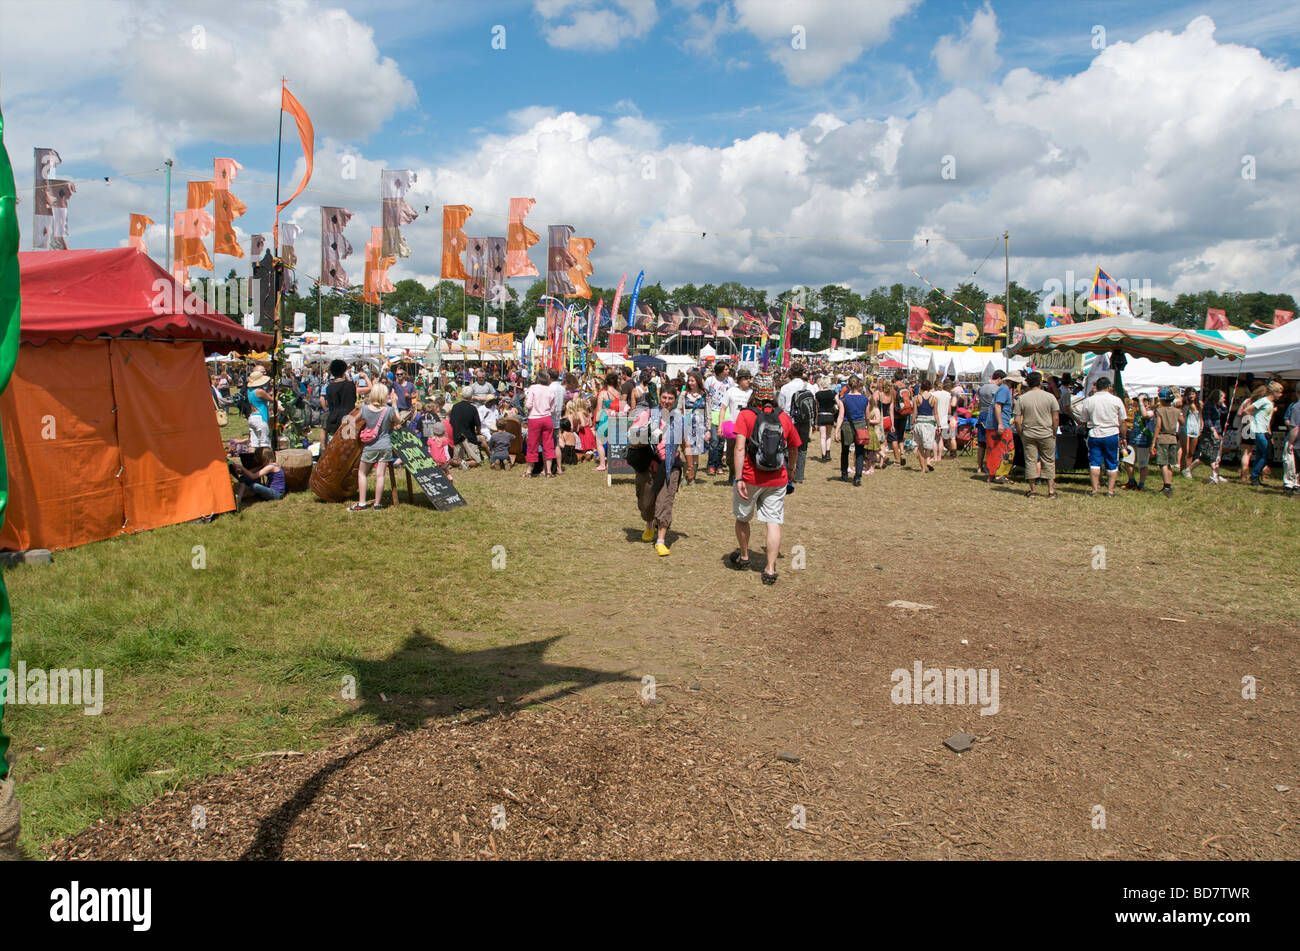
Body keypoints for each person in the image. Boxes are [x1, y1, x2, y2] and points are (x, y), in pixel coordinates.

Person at [730, 373, 801, 585]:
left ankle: (744, 556)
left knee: (743, 518)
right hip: (777, 478)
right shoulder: (784, 417)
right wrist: (790, 470)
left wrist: (739, 477)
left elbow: (740, 447)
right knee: (773, 522)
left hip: (751, 476)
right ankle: (770, 569)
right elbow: (794, 446)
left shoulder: (746, 415)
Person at [632, 384, 688, 556]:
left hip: (671, 467)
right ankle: (649, 525)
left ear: (675, 400)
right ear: (659, 397)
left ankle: (661, 540)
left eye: (671, 398)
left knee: (665, 503)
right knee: (646, 503)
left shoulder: (679, 419)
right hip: (648, 466)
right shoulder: (647, 415)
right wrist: (646, 434)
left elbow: (685, 444)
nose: (667, 401)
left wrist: (690, 466)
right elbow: (631, 438)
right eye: (664, 397)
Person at [1077, 376, 1127, 497]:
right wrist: (1124, 437)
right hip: (1111, 434)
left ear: (1097, 387)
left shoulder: (1089, 400)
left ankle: (1094, 490)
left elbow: (1083, 421)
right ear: (1109, 387)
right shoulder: (1116, 400)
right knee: (1112, 462)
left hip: (1094, 434)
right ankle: (1110, 491)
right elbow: (1123, 421)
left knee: (1094, 463)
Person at [1016, 371, 1059, 499]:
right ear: (1040, 382)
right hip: (1046, 433)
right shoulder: (1050, 397)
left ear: (1027, 383)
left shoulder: (1022, 399)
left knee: (1030, 461)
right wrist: (1054, 431)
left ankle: (1033, 490)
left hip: (1029, 433)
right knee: (1049, 461)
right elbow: (1055, 418)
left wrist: (1021, 433)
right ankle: (1051, 490)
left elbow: (1018, 420)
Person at [351, 382, 394, 511]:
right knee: (380, 475)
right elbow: (395, 422)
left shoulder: (365, 409)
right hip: (385, 444)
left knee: (362, 473)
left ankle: (362, 502)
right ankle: (377, 503)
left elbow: (352, 421)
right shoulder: (389, 410)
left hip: (370, 446)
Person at [778, 363, 815, 484]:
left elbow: (780, 406)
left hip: (789, 420)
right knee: (802, 447)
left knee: (788, 447)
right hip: (804, 420)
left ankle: (788, 472)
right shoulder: (809, 387)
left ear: (791, 373)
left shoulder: (785, 388)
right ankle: (799, 475)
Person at [985, 371, 1020, 485]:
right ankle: (1000, 474)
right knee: (1007, 449)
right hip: (1000, 424)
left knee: (993, 450)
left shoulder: (1002, 389)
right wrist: (1000, 423)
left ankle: (992, 474)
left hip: (993, 424)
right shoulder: (1005, 389)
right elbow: (998, 405)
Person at [835, 374, 870, 485]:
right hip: (860, 425)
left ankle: (844, 473)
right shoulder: (865, 399)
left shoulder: (843, 399)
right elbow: (867, 416)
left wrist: (836, 430)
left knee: (845, 451)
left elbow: (841, 416)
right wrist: (867, 427)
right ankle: (857, 476)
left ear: (848, 386)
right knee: (859, 452)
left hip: (847, 425)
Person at [720, 367, 753, 484]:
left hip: (748, 428)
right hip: (733, 427)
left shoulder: (752, 393)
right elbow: (723, 409)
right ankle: (732, 472)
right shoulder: (731, 392)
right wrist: (720, 425)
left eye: (749, 378)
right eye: (745, 378)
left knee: (745, 453)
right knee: (730, 454)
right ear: (739, 380)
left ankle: (741, 476)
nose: (748, 380)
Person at [525, 368, 558, 477]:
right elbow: (553, 409)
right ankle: (548, 471)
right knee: (548, 444)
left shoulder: (533, 388)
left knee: (532, 445)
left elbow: (528, 405)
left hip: (534, 418)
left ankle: (529, 471)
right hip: (547, 418)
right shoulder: (550, 390)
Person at [1150, 386, 1181, 497]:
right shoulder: (1177, 411)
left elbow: (1158, 426)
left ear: (1162, 399)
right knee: (1170, 463)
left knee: (1163, 463)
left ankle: (1166, 486)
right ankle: (1169, 484)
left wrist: (1153, 441)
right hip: (1173, 438)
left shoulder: (1159, 410)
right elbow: (1183, 421)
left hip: (1163, 438)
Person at [704, 362, 734, 475]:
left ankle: (719, 464)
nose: (728, 371)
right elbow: (706, 396)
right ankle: (711, 465)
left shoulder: (730, 381)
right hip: (713, 412)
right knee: (714, 441)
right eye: (726, 369)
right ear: (720, 370)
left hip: (725, 413)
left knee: (722, 442)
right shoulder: (710, 380)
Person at [680, 371, 709, 485]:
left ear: (698, 381)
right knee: (685, 451)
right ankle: (685, 476)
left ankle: (692, 478)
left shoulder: (705, 394)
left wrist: (708, 428)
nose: (690, 382)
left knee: (695, 452)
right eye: (689, 380)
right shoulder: (684, 394)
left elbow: (708, 412)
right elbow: (679, 409)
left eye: (692, 380)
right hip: (686, 424)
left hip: (700, 426)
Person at [1122, 395, 1155, 491]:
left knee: (1143, 465)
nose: (1139, 403)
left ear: (1148, 403)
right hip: (1133, 441)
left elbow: (1145, 415)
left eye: (1142, 401)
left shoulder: (1150, 412)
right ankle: (1131, 481)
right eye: (1138, 401)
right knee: (1127, 460)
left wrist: (1141, 402)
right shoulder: (1136, 412)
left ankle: (1141, 485)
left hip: (1144, 442)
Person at [976, 371, 1002, 474]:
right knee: (991, 443)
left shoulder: (982, 388)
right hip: (991, 415)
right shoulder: (996, 389)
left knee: (981, 443)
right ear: (999, 379)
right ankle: (989, 466)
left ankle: (979, 467)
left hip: (982, 413)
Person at [594, 371, 621, 471]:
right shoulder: (619, 394)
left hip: (604, 419)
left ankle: (602, 464)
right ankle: (610, 464)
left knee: (599, 442)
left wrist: (596, 422)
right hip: (615, 419)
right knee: (612, 442)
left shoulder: (603, 393)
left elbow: (599, 409)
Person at [449, 391, 484, 468]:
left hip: (457, 437)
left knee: (456, 458)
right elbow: (478, 425)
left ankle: (457, 462)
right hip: (470, 437)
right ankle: (465, 463)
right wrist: (478, 432)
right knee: (477, 461)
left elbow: (451, 422)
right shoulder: (473, 408)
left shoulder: (455, 407)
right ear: (471, 397)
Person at [245, 366, 273, 451]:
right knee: (265, 442)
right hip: (260, 417)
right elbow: (272, 399)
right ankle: (265, 459)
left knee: (254, 443)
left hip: (252, 416)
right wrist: (272, 388)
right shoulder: (259, 391)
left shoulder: (249, 390)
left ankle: (254, 460)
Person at [912, 379, 937, 472]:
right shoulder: (934, 399)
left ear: (921, 387)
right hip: (930, 422)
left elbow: (914, 412)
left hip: (919, 422)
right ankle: (928, 460)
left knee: (920, 446)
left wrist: (912, 423)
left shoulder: (916, 398)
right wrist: (938, 425)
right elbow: (936, 413)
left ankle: (923, 468)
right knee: (928, 445)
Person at [814, 374, 838, 461]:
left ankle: (823, 455)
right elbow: (838, 404)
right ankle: (828, 453)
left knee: (822, 437)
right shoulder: (833, 393)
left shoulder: (818, 394)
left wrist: (815, 420)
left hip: (821, 415)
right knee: (828, 435)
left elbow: (816, 407)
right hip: (830, 415)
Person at [1180, 389, 1202, 479]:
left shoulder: (1199, 404)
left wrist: (1201, 427)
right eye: (1189, 394)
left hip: (1195, 429)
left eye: (1193, 394)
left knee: (1191, 452)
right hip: (1186, 429)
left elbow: (1200, 417)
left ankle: (1188, 469)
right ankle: (1183, 468)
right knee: (1185, 451)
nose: (1191, 396)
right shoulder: (1184, 404)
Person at [1283, 389, 1300, 497]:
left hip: (1298, 441)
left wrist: (1290, 442)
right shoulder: (1294, 406)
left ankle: (1296, 487)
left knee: (1295, 465)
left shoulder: (1296, 407)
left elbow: (1295, 427)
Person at [932, 380, 953, 464]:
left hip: (935, 418)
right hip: (944, 418)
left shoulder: (933, 394)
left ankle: (935, 456)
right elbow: (949, 410)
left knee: (934, 439)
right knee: (940, 438)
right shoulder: (948, 395)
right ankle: (940, 456)